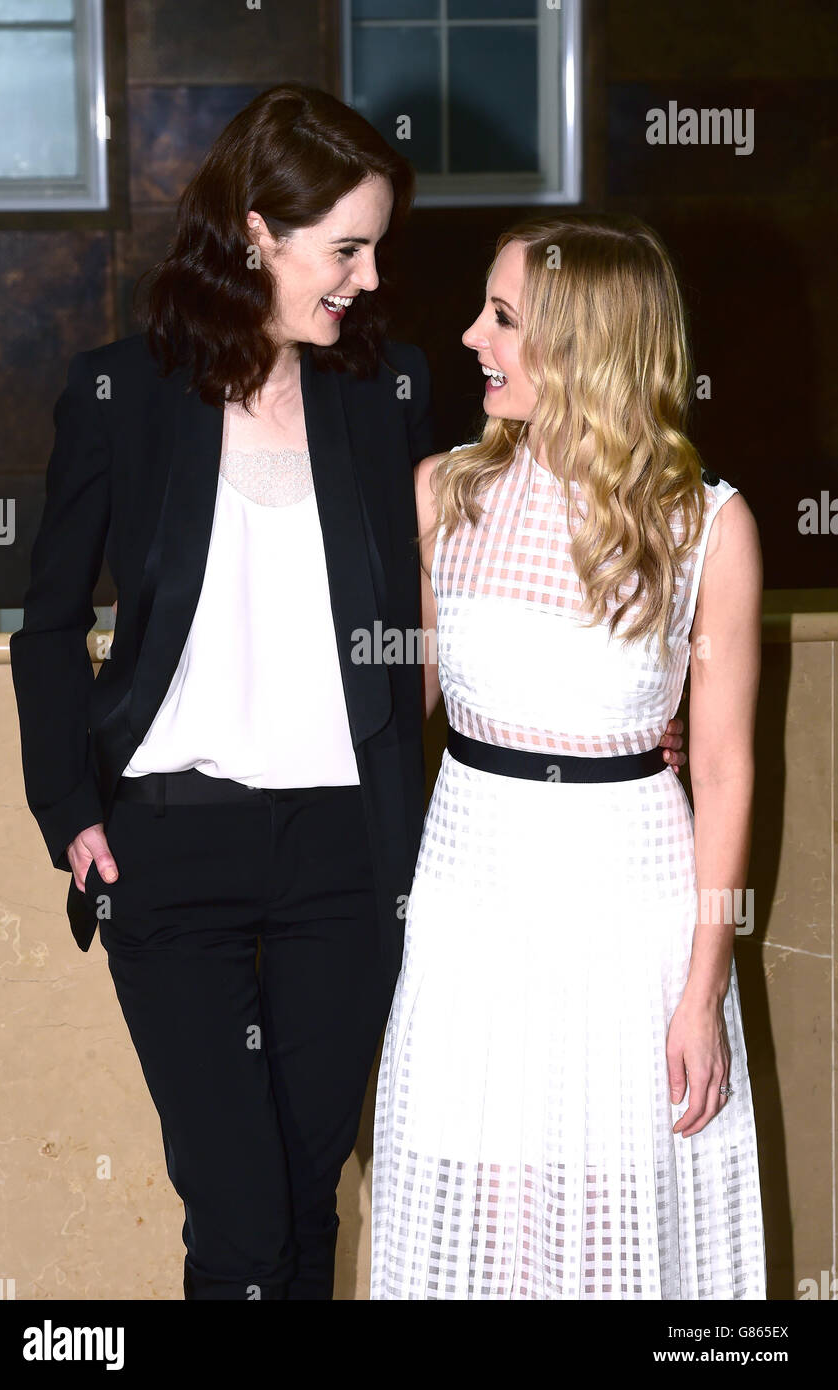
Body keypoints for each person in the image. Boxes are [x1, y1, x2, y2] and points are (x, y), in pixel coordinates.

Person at [10, 83, 686, 1301]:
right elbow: (49, 622)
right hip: (168, 844)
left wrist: (629, 690)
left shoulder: (389, 393)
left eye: (376, 248)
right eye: (348, 248)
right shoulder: (120, 393)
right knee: (238, 1212)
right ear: (260, 231)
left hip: (346, 854)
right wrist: (70, 808)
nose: (371, 279)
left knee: (309, 1196)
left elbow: (534, 513)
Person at [371, 214, 766, 1300]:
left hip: (626, 911)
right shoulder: (441, 493)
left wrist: (701, 990)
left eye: (501, 317)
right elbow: (391, 715)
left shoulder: (707, 526)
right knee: (479, 1209)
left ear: (585, 345)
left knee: (613, 1216)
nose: (468, 336)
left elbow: (726, 769)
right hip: (467, 900)